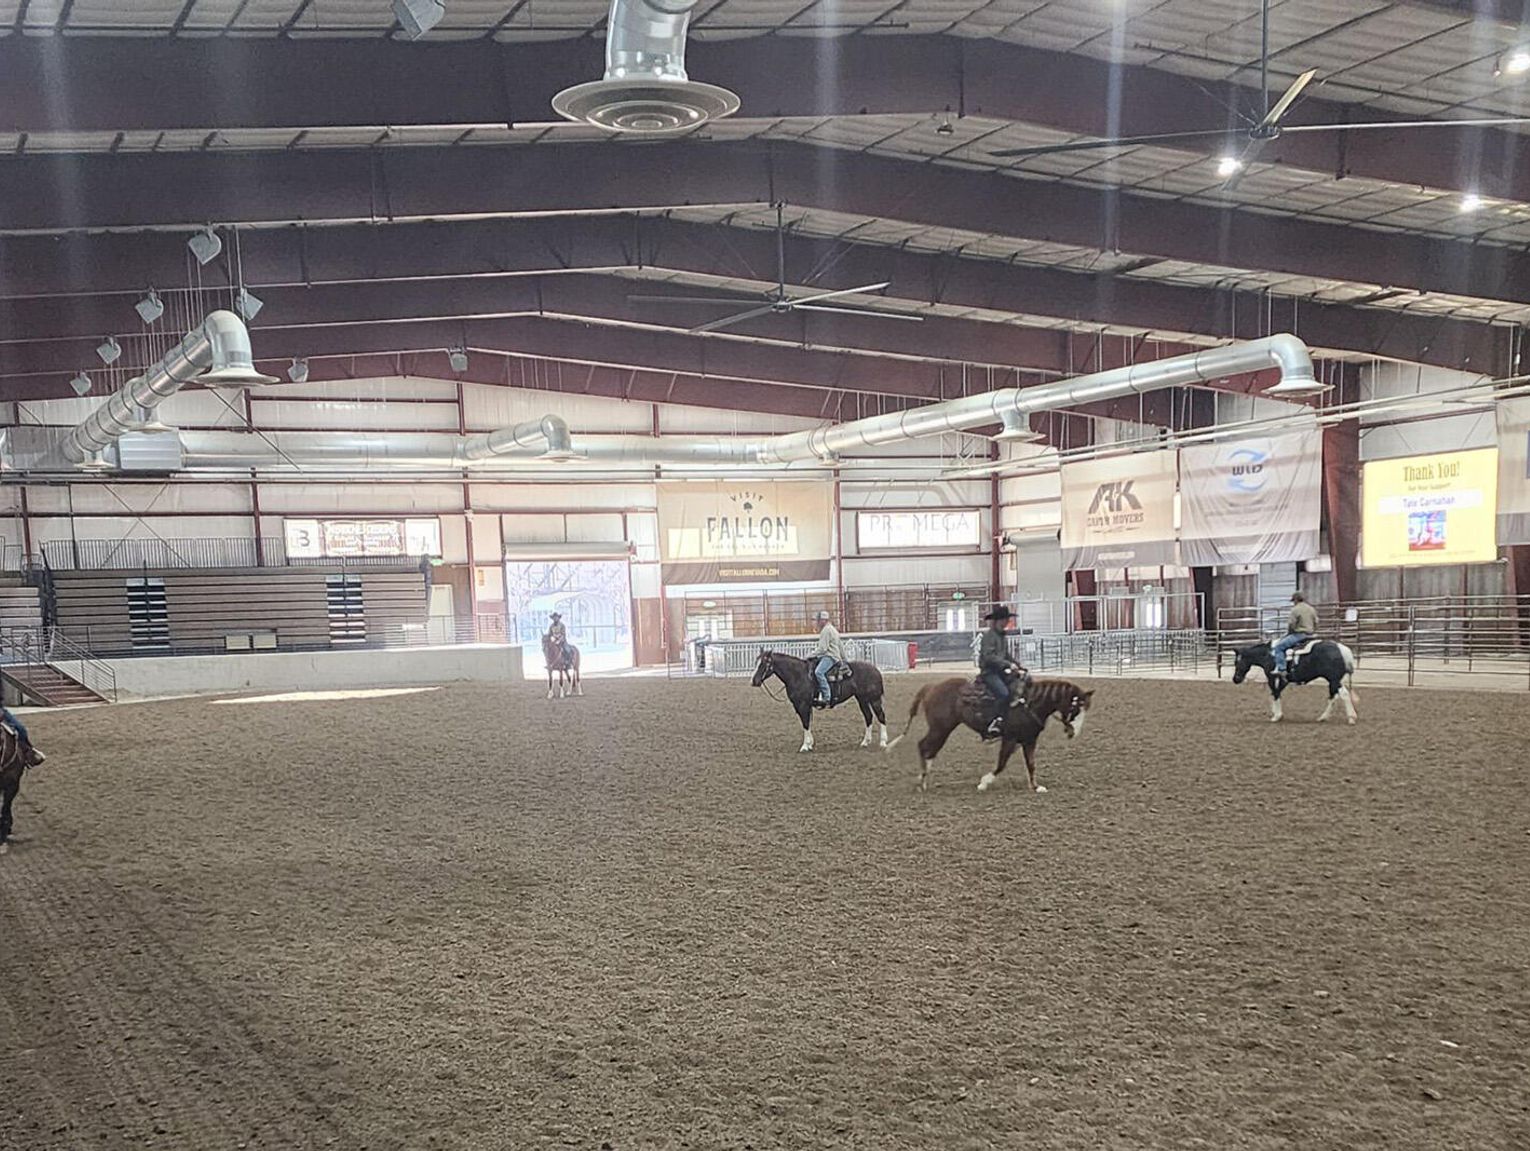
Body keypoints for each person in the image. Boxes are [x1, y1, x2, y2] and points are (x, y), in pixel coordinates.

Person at [978, 605, 1031, 738]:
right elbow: (988, 657)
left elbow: (1006, 655)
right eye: (1005, 619)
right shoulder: (989, 636)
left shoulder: (1001, 636)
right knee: (1003, 693)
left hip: (1000, 670)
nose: (1007, 622)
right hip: (989, 672)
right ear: (998, 621)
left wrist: (1018, 665)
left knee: (1021, 684)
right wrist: (1008, 664)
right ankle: (996, 721)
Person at [1272, 591, 1319, 680]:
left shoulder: (1295, 610)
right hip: (1311, 634)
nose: (1293, 602)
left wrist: (1289, 633)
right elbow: (1316, 622)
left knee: (1279, 647)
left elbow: (1291, 624)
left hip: (1299, 635)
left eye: (1294, 601)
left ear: (1296, 600)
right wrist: (1314, 631)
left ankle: (1281, 668)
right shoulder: (1311, 609)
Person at [811, 609, 846, 706]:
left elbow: (823, 649)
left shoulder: (825, 631)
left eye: (818, 620)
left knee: (818, 672)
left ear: (823, 620)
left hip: (829, 657)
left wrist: (810, 655)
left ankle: (826, 696)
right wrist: (844, 659)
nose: (817, 623)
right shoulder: (833, 629)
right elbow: (840, 645)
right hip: (835, 656)